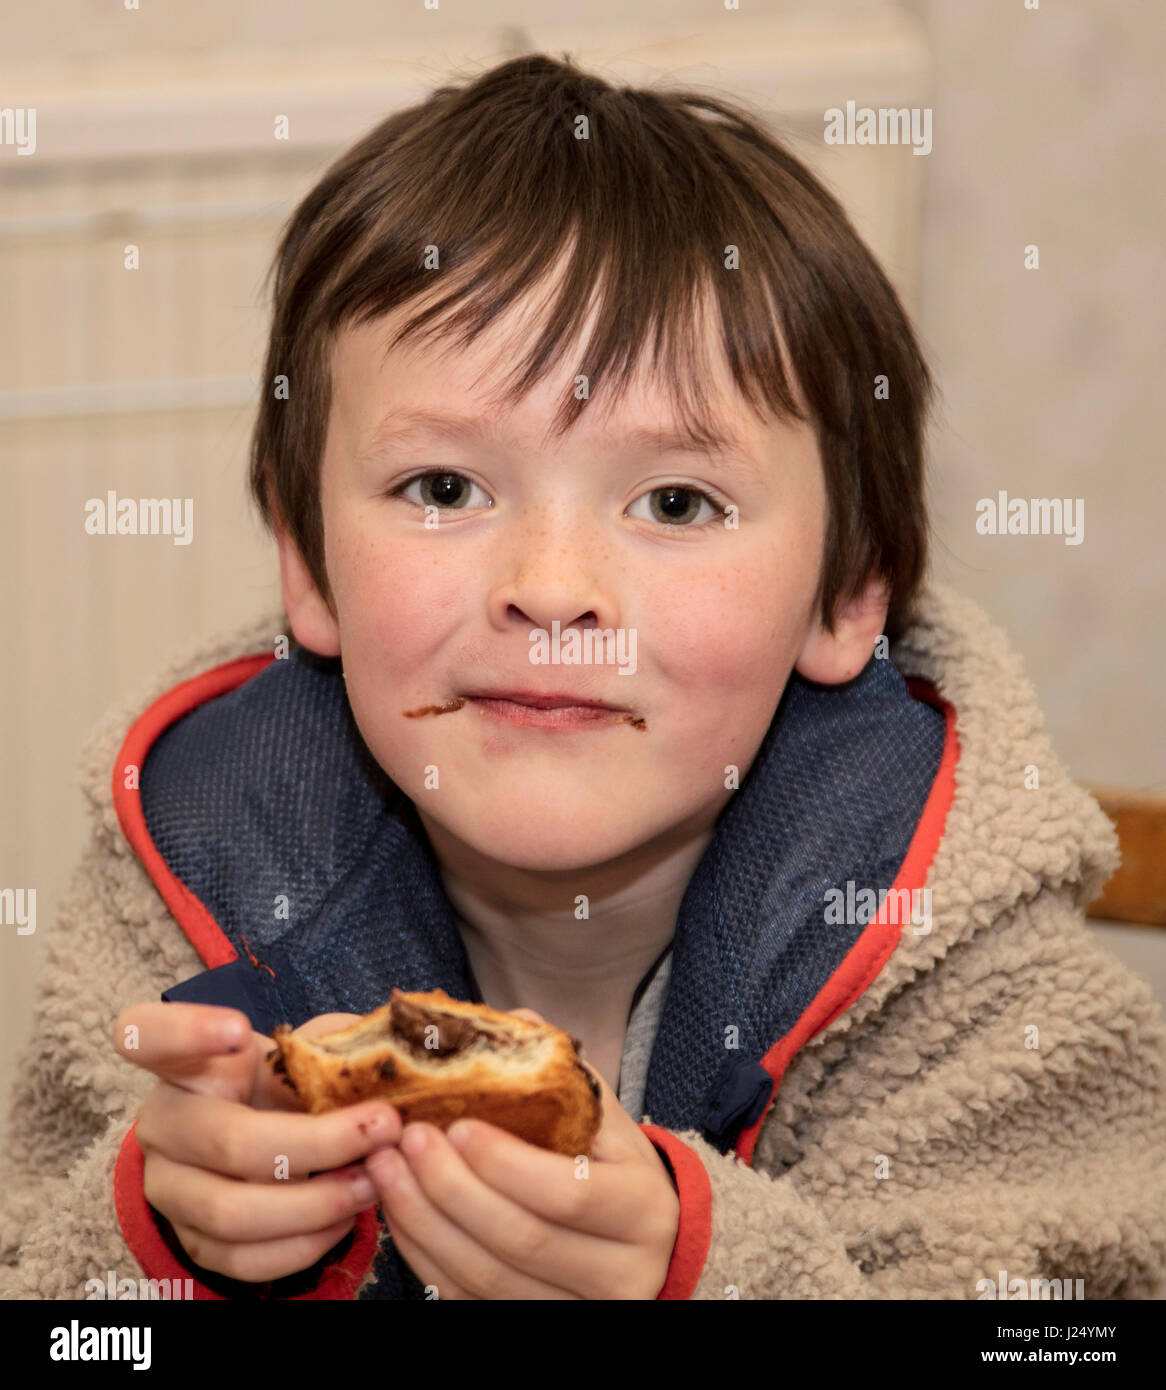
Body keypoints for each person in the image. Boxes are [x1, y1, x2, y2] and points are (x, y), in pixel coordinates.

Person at [3, 53, 1164, 1301]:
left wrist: (720, 1281)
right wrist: (157, 1252)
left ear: (848, 592)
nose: (551, 588)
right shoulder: (187, 885)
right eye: (443, 488)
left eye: (675, 500)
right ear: (310, 563)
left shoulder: (959, 963)